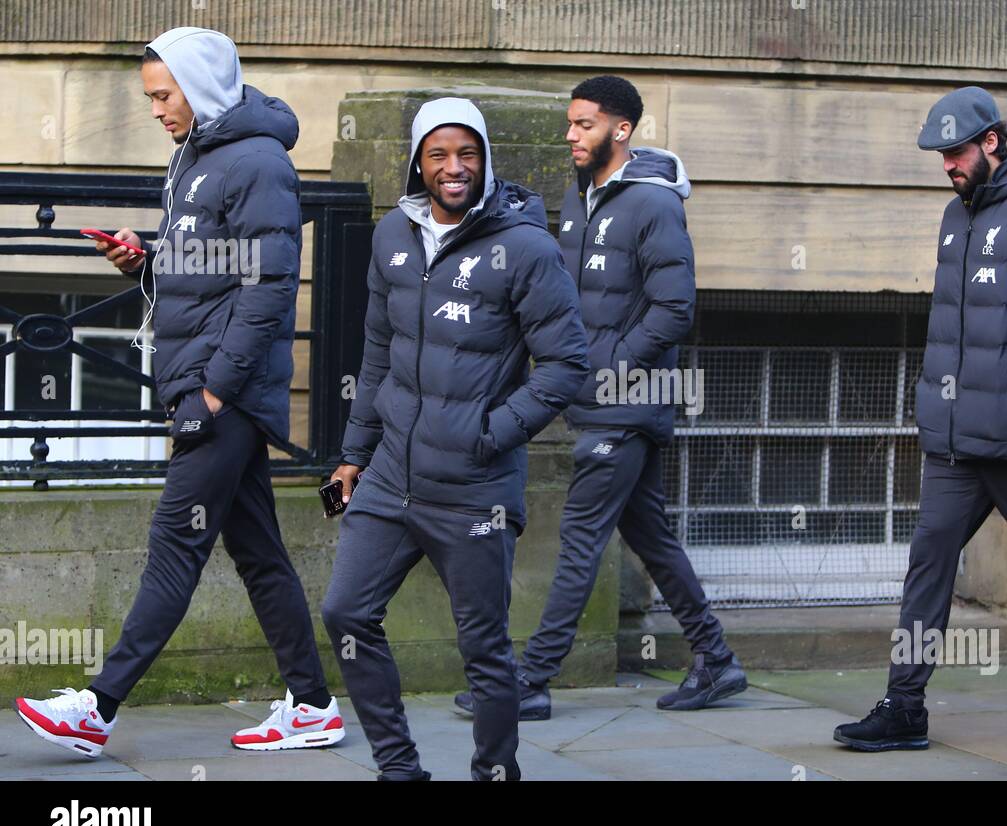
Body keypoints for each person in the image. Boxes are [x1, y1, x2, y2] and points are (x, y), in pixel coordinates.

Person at [13, 27, 342, 757]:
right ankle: (314, 705)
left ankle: (98, 707)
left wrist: (215, 394)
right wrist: (146, 261)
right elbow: (212, 267)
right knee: (259, 553)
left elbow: (269, 286)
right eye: (151, 97)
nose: (157, 109)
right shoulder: (199, 156)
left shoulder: (257, 163)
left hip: (218, 391)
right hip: (207, 383)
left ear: (200, 85)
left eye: (164, 95)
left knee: (173, 545)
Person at [455, 75, 745, 721]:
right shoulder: (580, 197)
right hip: (601, 399)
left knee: (582, 538)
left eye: (584, 124)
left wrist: (608, 367)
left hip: (627, 401)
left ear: (621, 129)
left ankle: (528, 681)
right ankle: (717, 659)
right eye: (570, 122)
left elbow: (674, 309)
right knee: (652, 535)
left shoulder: (654, 205)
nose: (570, 134)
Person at [834, 86, 1007, 753]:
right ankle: (904, 706)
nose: (947, 164)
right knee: (927, 566)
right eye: (940, 154)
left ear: (992, 141)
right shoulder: (955, 215)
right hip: (957, 442)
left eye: (956, 151)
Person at [322, 98, 589, 781]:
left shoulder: (525, 248)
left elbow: (566, 365)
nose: (453, 168)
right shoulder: (392, 235)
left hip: (474, 488)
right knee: (347, 613)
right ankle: (398, 768)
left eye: (466, 154)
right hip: (390, 477)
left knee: (484, 650)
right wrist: (354, 454)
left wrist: (489, 433)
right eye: (438, 154)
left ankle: (494, 772)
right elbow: (378, 349)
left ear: (485, 160)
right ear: (418, 160)